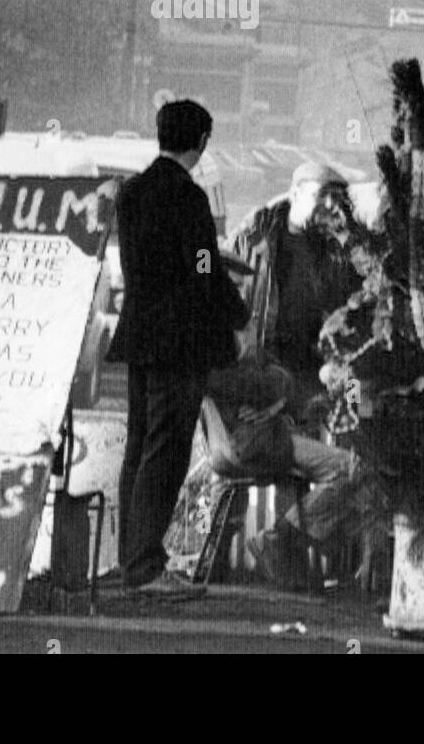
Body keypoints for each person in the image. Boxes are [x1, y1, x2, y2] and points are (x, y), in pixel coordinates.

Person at [107, 99, 248, 598]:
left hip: (140, 334)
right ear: (202, 141)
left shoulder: (131, 192)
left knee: (140, 447)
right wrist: (236, 310)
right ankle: (146, 568)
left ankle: (133, 560)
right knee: (166, 451)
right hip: (180, 340)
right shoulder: (188, 197)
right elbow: (205, 267)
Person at [206, 359, 374, 590]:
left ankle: (298, 552)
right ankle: (280, 540)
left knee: (352, 464)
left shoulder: (237, 356)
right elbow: (266, 385)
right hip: (260, 440)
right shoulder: (236, 361)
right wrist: (280, 396)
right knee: (353, 467)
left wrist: (281, 398)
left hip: (263, 438)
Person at [228, 162, 360, 433]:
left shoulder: (335, 249)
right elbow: (220, 282)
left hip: (311, 369)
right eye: (320, 195)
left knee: (311, 443)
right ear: (295, 193)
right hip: (264, 364)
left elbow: (352, 309)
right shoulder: (255, 234)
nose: (329, 204)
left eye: (335, 198)